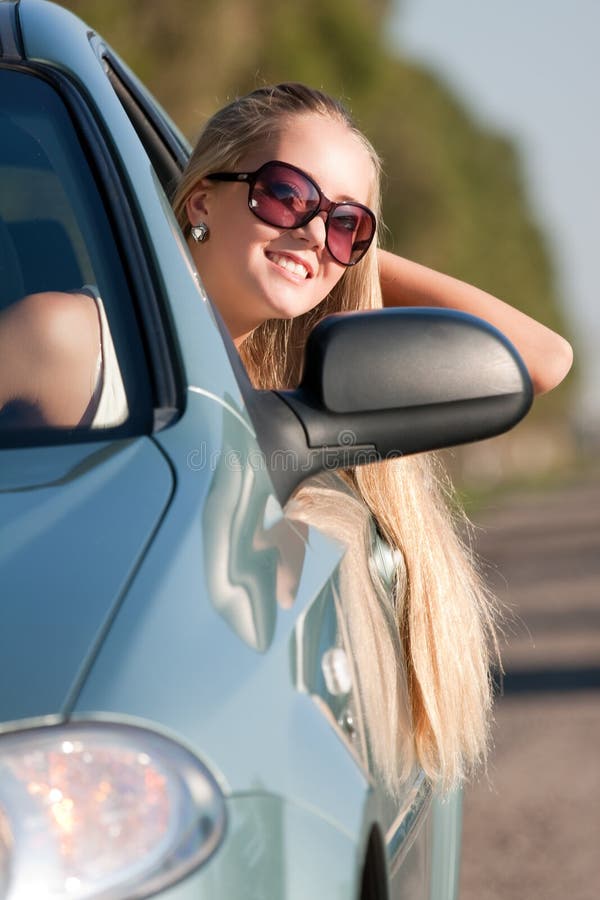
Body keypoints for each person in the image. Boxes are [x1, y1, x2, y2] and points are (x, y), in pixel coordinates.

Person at [0, 83, 572, 791]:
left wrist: (341, 262)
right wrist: (325, 243)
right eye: (285, 195)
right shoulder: (70, 340)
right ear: (202, 200)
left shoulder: (286, 383)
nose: (310, 231)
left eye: (346, 221)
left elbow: (544, 359)